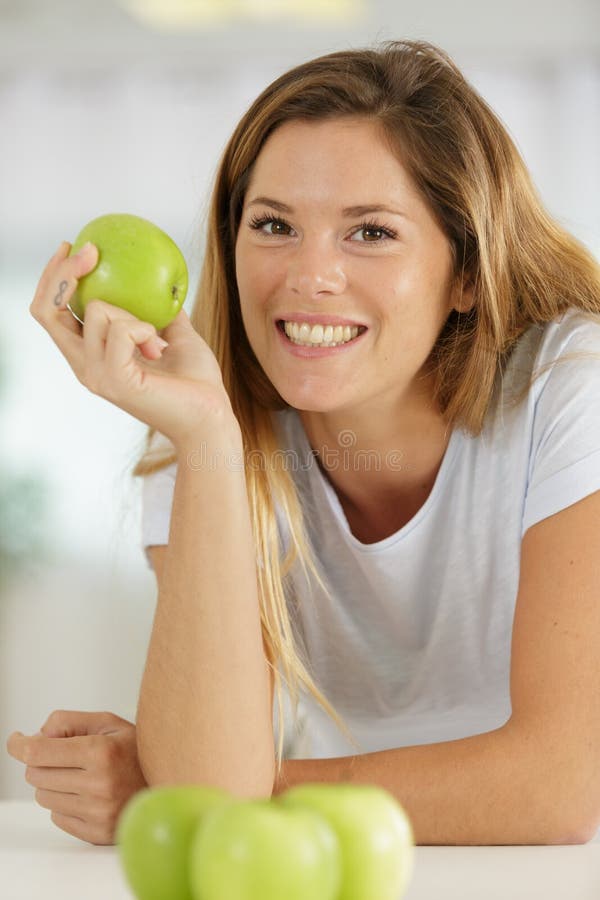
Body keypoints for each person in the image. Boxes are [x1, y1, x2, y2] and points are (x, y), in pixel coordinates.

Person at [7, 39, 600, 847]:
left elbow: (558, 789)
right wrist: (208, 436)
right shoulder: (204, 433)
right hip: (341, 868)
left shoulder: (571, 390)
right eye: (275, 224)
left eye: (371, 233)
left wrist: (209, 787)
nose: (310, 275)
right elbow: (213, 791)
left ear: (467, 271)